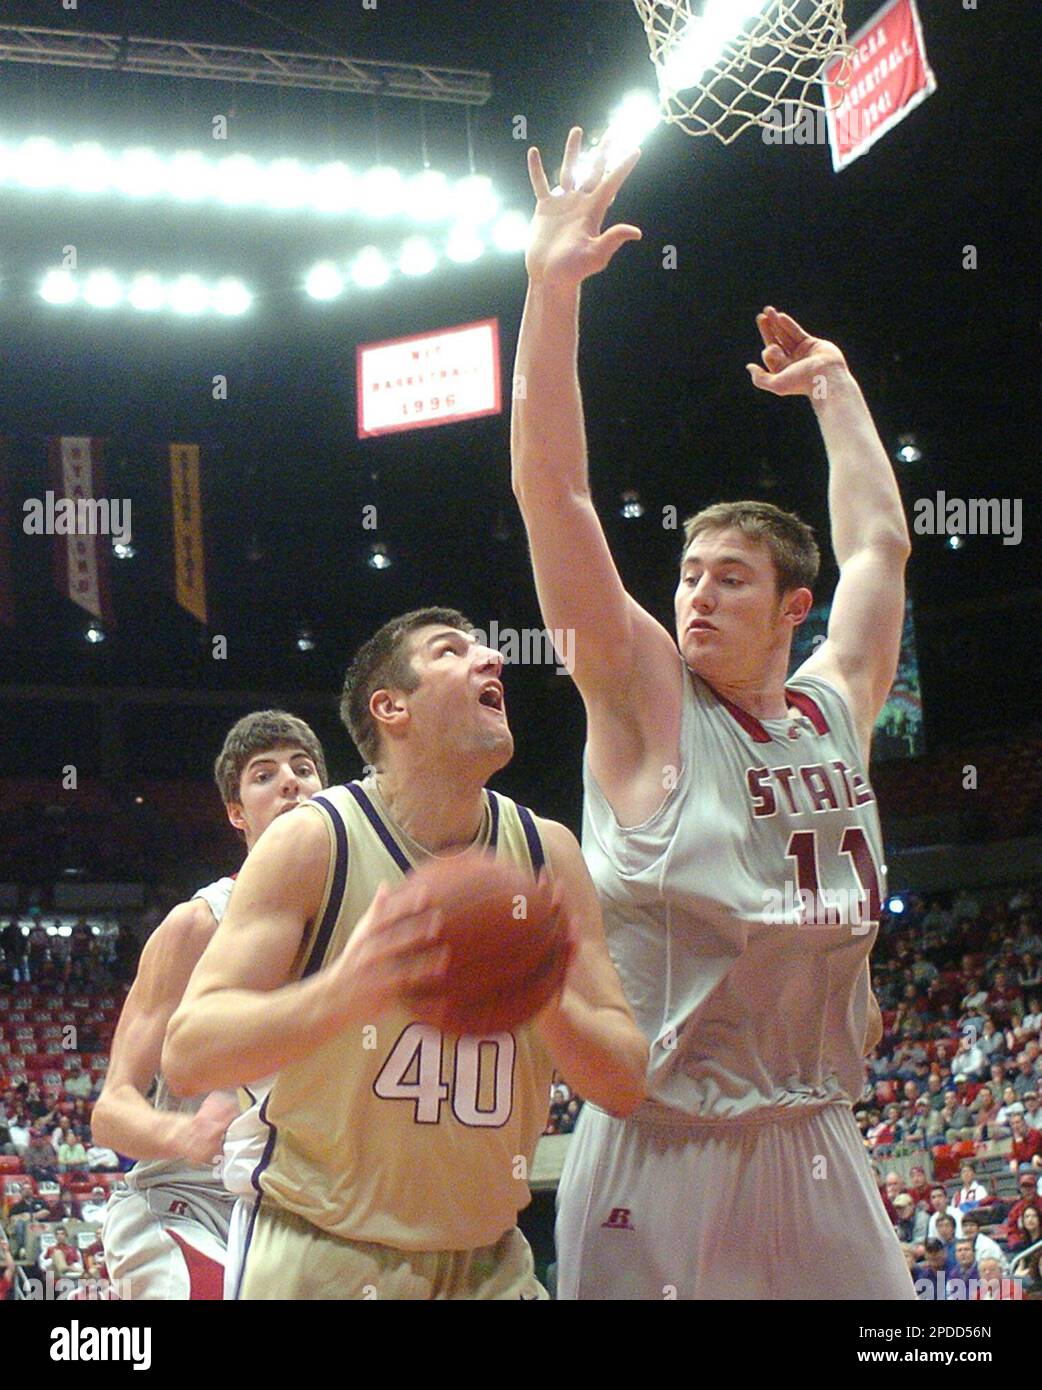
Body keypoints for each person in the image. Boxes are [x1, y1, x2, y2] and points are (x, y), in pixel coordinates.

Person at [511, 126, 913, 1300]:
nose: (694, 593)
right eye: (686, 572)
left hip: (816, 1133)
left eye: (727, 576)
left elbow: (878, 543)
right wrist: (548, 290)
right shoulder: (644, 703)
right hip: (664, 1146)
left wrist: (833, 387)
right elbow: (555, 494)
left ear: (794, 604)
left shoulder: (834, 701)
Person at [164, 608, 649, 1300]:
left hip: (490, 1259)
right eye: (453, 652)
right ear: (390, 708)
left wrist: (534, 991)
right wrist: (348, 989)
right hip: (319, 1248)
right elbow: (189, 1056)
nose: (493, 661)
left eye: (488, 650)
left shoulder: (548, 854)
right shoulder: (314, 842)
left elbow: (625, 1081)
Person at [92, 710, 327, 1300]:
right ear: (236, 813)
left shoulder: (357, 919)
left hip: (295, 1210)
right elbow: (109, 1112)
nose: (291, 782)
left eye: (303, 768)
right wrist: (183, 1135)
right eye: (264, 775)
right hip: (185, 1200)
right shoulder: (198, 925)